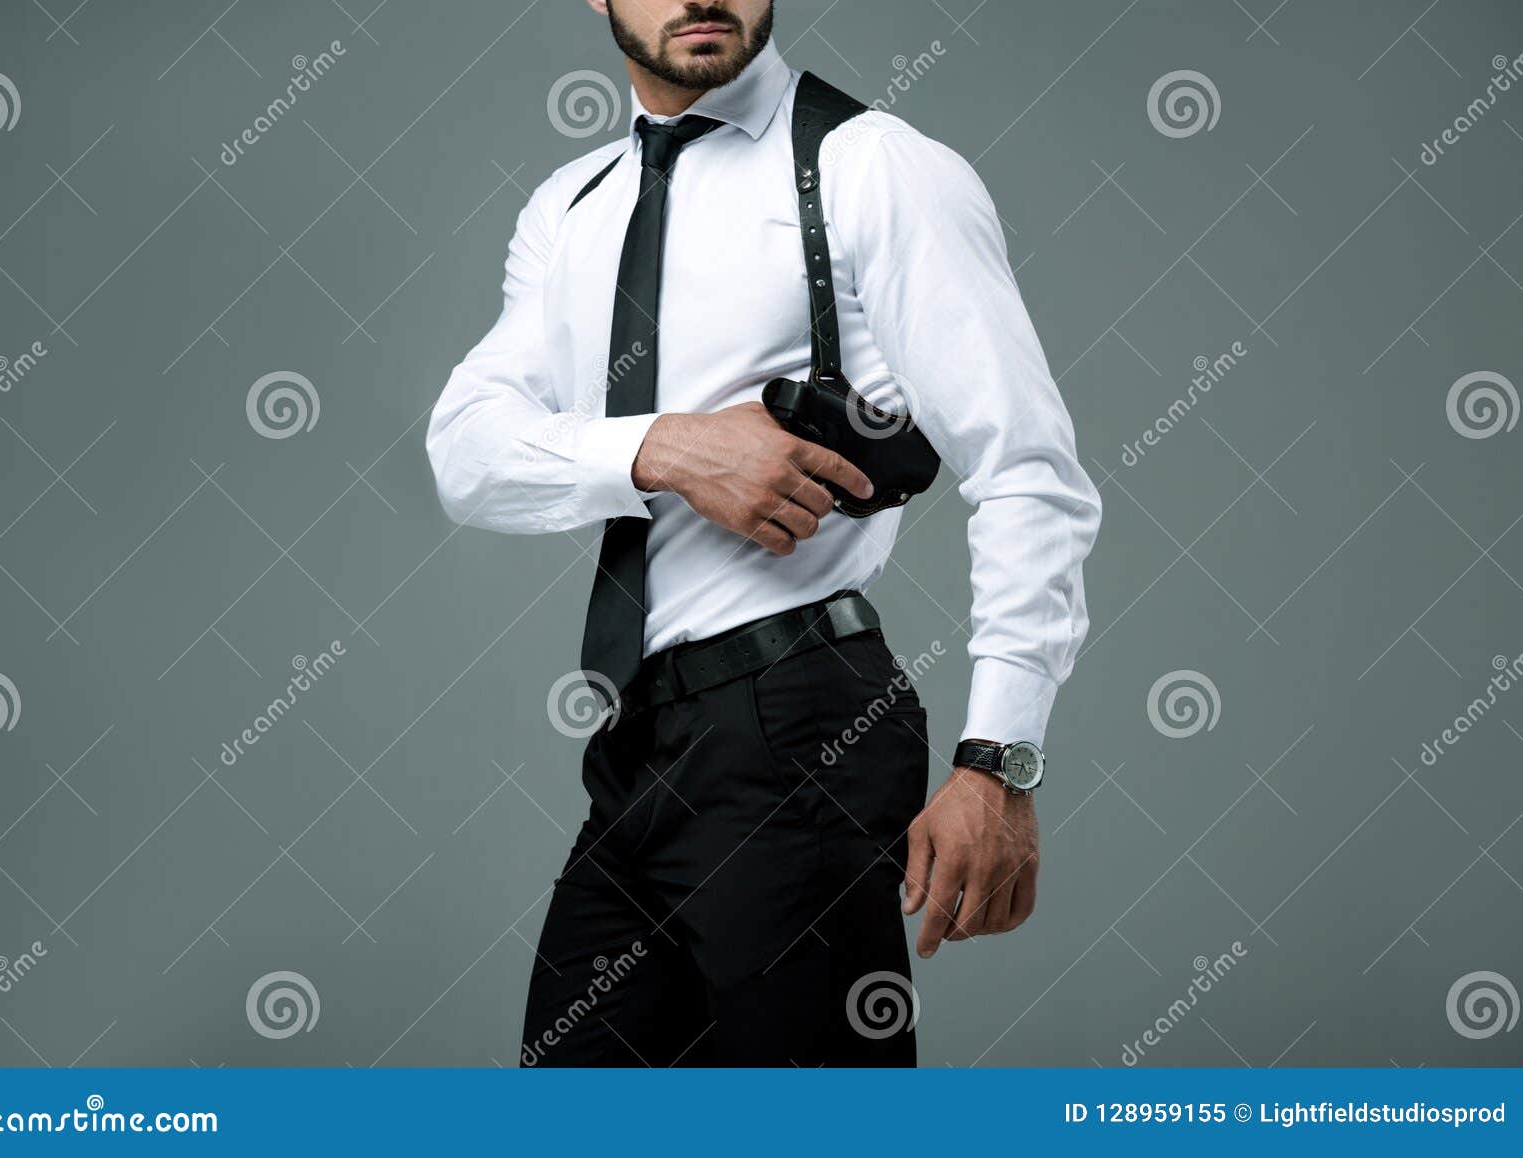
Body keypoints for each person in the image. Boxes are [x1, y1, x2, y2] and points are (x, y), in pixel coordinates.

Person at [426, 0, 1100, 1066]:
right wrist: (667, 449)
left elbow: (1027, 470)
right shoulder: (573, 206)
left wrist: (998, 762)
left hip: (798, 720)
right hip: (637, 745)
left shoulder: (871, 168)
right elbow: (465, 454)